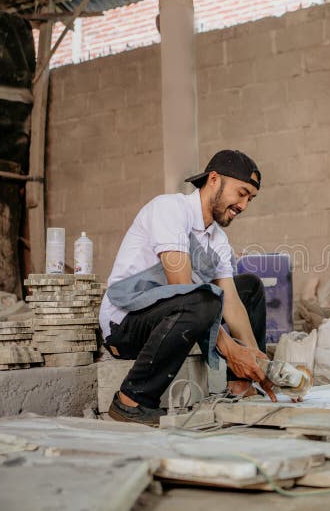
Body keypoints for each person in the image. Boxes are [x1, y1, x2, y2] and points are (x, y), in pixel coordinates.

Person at [99, 149, 277, 426]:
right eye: (241, 193)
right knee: (200, 299)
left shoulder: (217, 237)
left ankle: (242, 386)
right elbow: (181, 288)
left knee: (249, 287)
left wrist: (259, 365)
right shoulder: (169, 209)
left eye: (250, 199)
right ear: (214, 179)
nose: (244, 205)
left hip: (173, 316)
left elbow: (230, 301)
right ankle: (131, 401)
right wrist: (230, 351)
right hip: (126, 325)